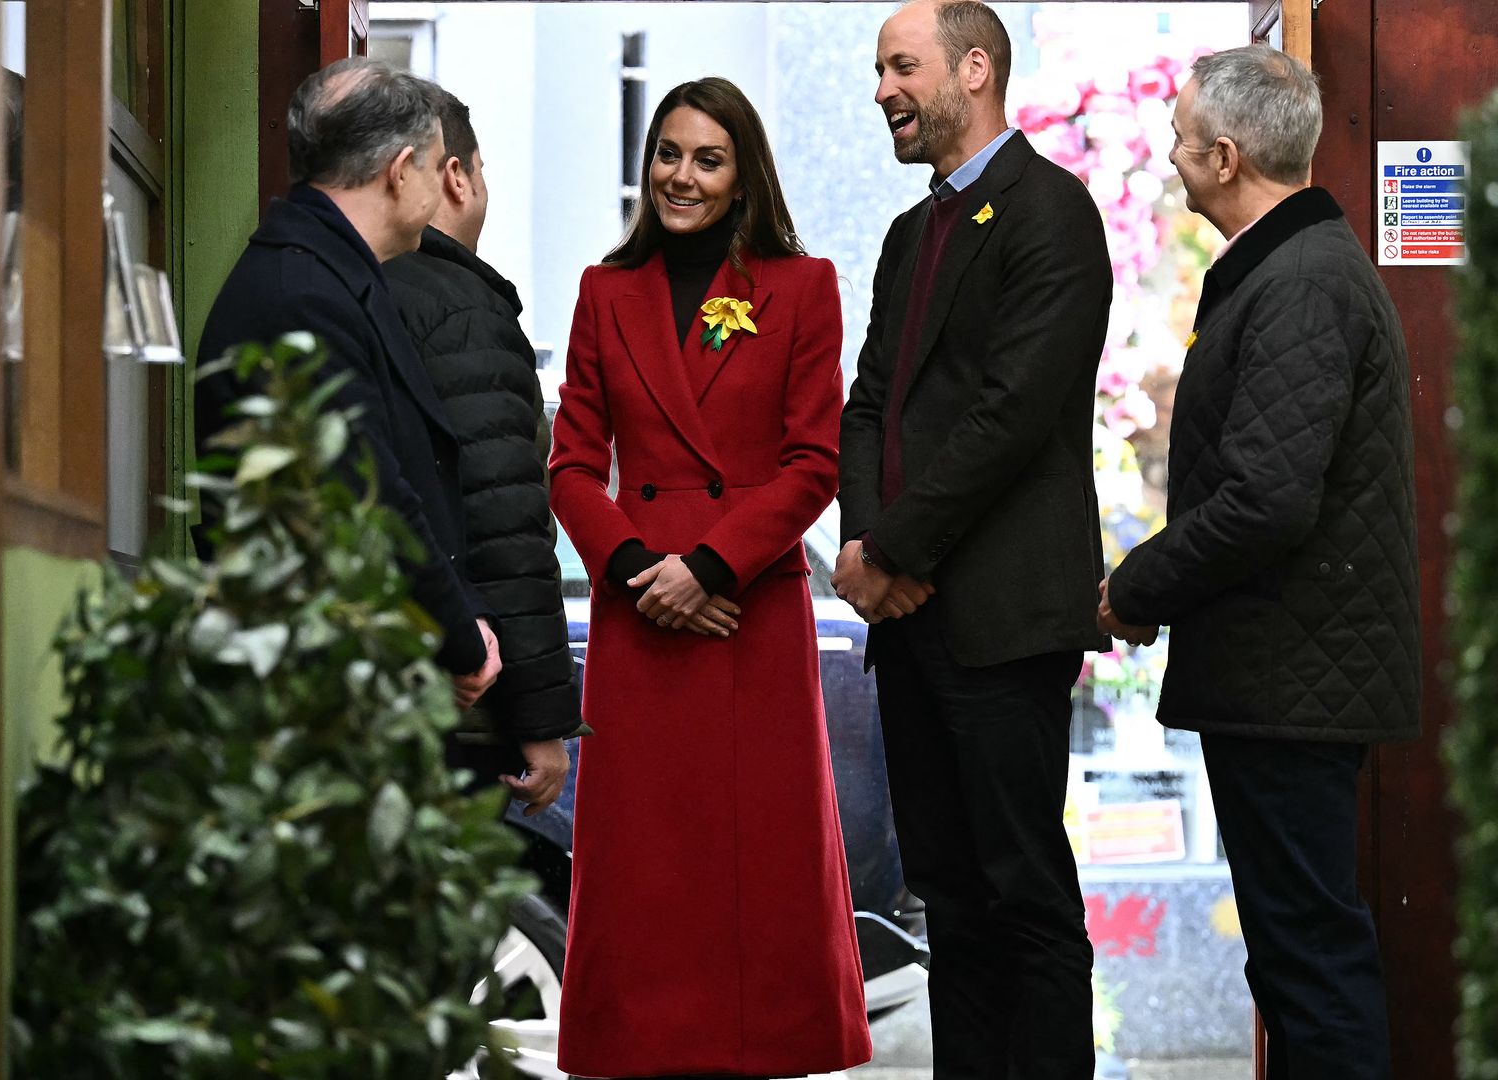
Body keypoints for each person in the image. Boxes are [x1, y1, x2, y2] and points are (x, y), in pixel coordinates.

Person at [1098, 45, 1417, 1080]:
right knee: (1296, 959)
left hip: (1292, 686)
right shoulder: (1290, 272)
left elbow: (1265, 498)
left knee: (1310, 965)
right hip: (1286, 677)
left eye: (1183, 138)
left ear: (1226, 156)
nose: (1172, 154)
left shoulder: (1301, 283)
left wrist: (1135, 587)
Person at [549, 76, 870, 1078]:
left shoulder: (802, 285)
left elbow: (813, 463)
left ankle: (759, 1050)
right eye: (669, 154)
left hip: (747, 611)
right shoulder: (607, 290)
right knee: (644, 867)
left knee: (757, 864)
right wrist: (643, 566)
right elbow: (569, 462)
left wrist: (713, 563)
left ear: (742, 179)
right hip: (641, 613)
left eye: (708, 159)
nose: (683, 176)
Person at [831, 1, 1111, 1075]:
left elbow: (1011, 415)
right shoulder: (913, 232)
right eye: (877, 69)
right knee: (948, 901)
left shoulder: (1052, 214)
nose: (882, 90)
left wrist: (895, 552)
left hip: (1001, 623)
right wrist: (864, 551)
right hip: (909, 626)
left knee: (1023, 898)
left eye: (901, 67)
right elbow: (869, 406)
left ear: (976, 68)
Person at [195, 58, 507, 719]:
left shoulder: (327, 272)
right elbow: (370, 493)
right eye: (434, 165)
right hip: (318, 688)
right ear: (400, 172)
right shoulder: (306, 293)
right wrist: (458, 636)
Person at [383, 85, 574, 811]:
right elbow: (503, 525)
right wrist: (539, 720)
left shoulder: (362, 287)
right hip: (467, 695)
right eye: (482, 167)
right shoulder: (463, 310)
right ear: (456, 176)